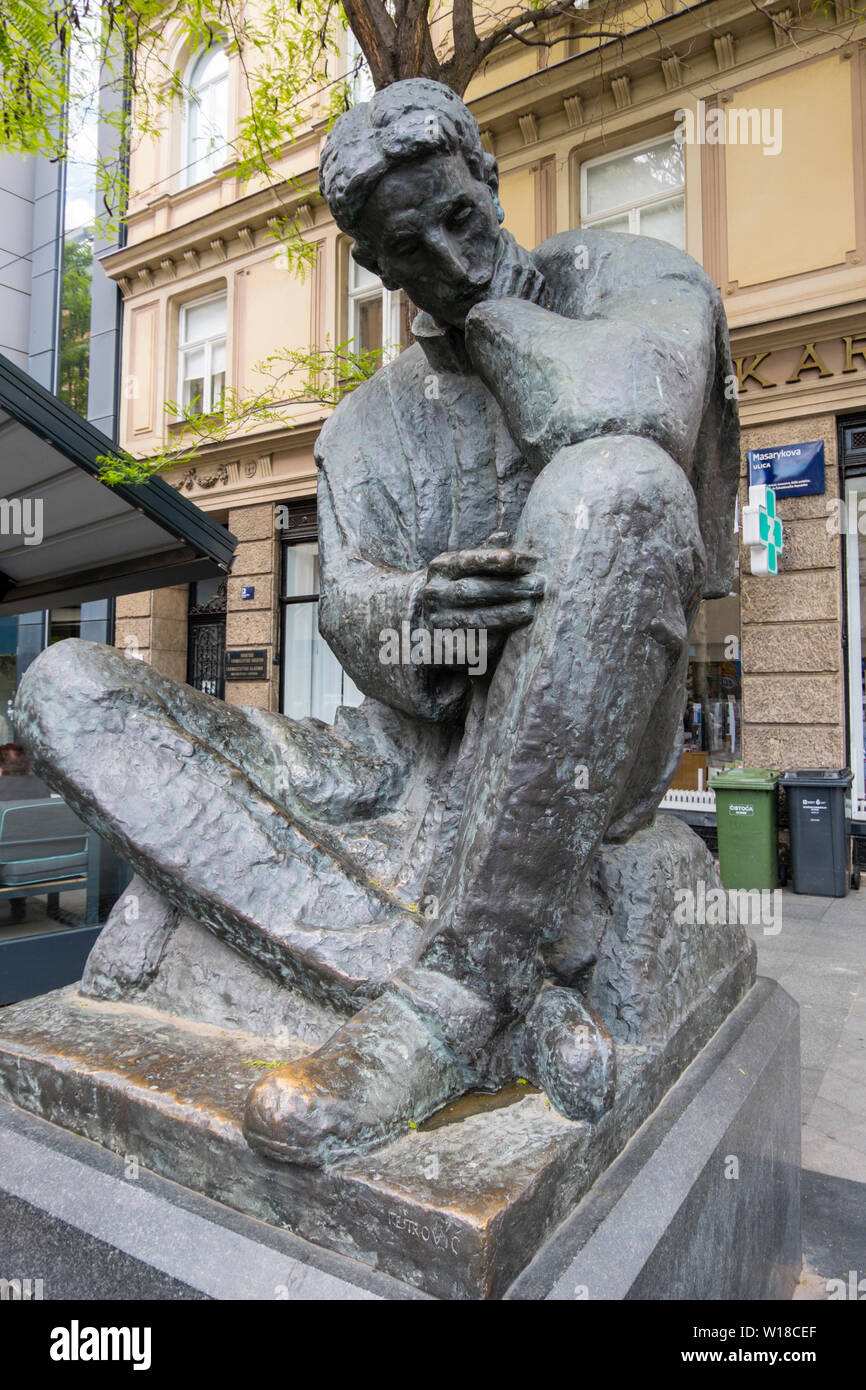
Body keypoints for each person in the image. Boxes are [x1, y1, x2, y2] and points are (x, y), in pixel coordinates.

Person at [16, 79, 739, 1167]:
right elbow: (351, 609)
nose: (449, 261)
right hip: (391, 760)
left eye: (459, 218)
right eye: (410, 253)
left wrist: (489, 313)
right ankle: (501, 994)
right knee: (63, 687)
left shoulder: (628, 276)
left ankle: (460, 989)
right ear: (376, 271)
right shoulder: (365, 424)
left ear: (488, 181)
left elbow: (622, 410)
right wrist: (426, 617)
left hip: (593, 751)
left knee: (617, 487)